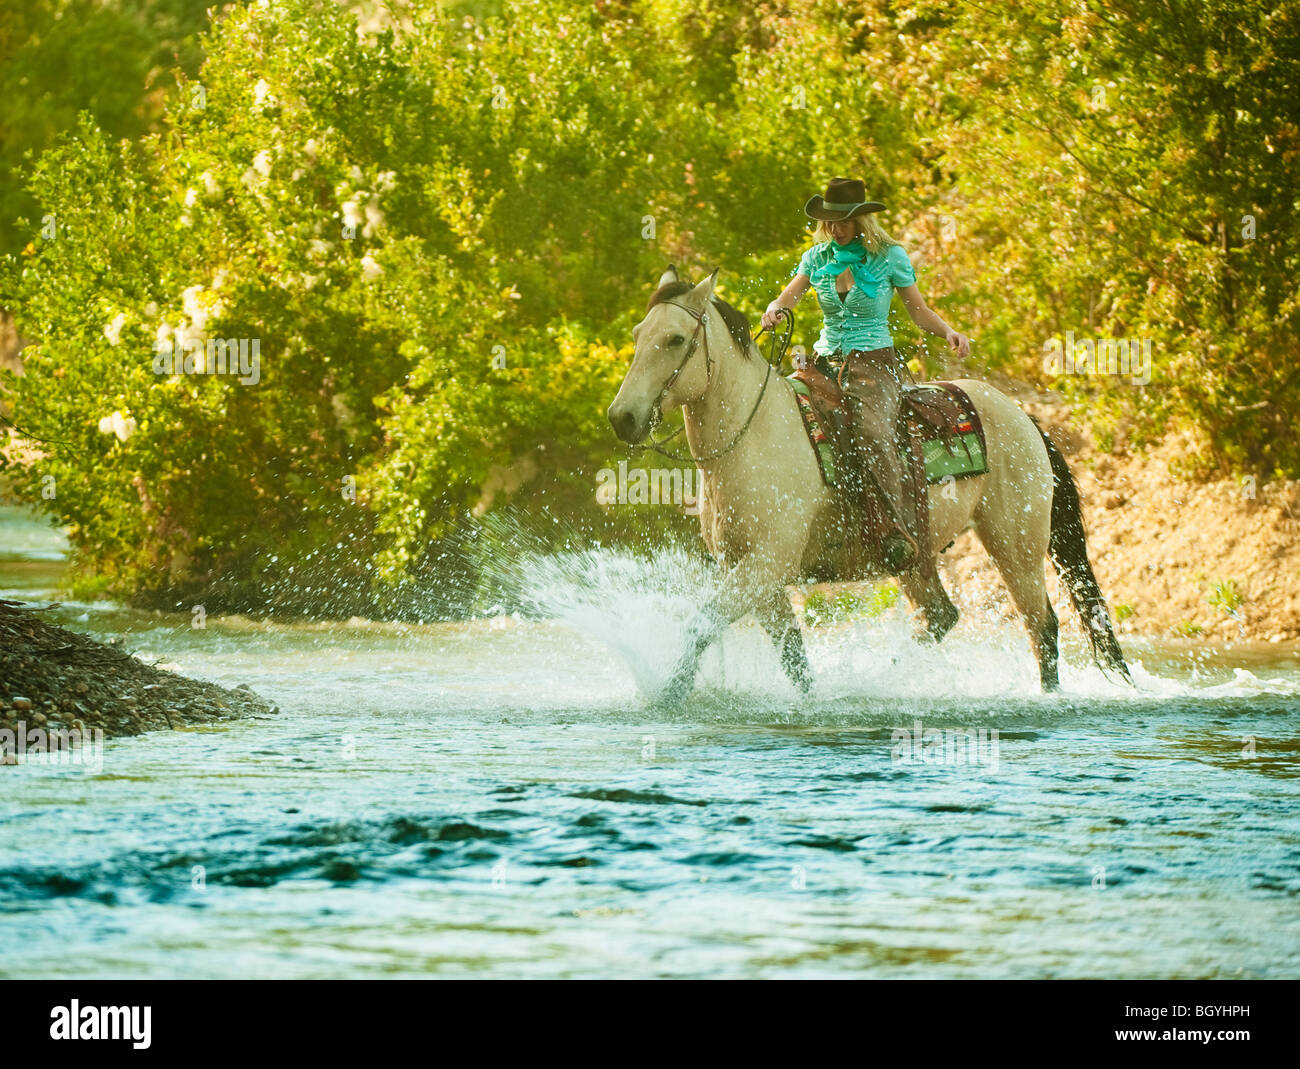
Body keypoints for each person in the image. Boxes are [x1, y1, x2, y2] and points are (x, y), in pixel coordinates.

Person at [761, 177, 971, 573]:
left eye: (841, 221)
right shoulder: (818, 258)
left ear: (860, 221)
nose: (834, 229)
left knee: (872, 431)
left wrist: (948, 332)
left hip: (873, 362)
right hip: (821, 361)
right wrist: (773, 308)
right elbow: (788, 296)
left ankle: (894, 528)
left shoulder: (889, 257)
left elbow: (918, 311)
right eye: (829, 222)